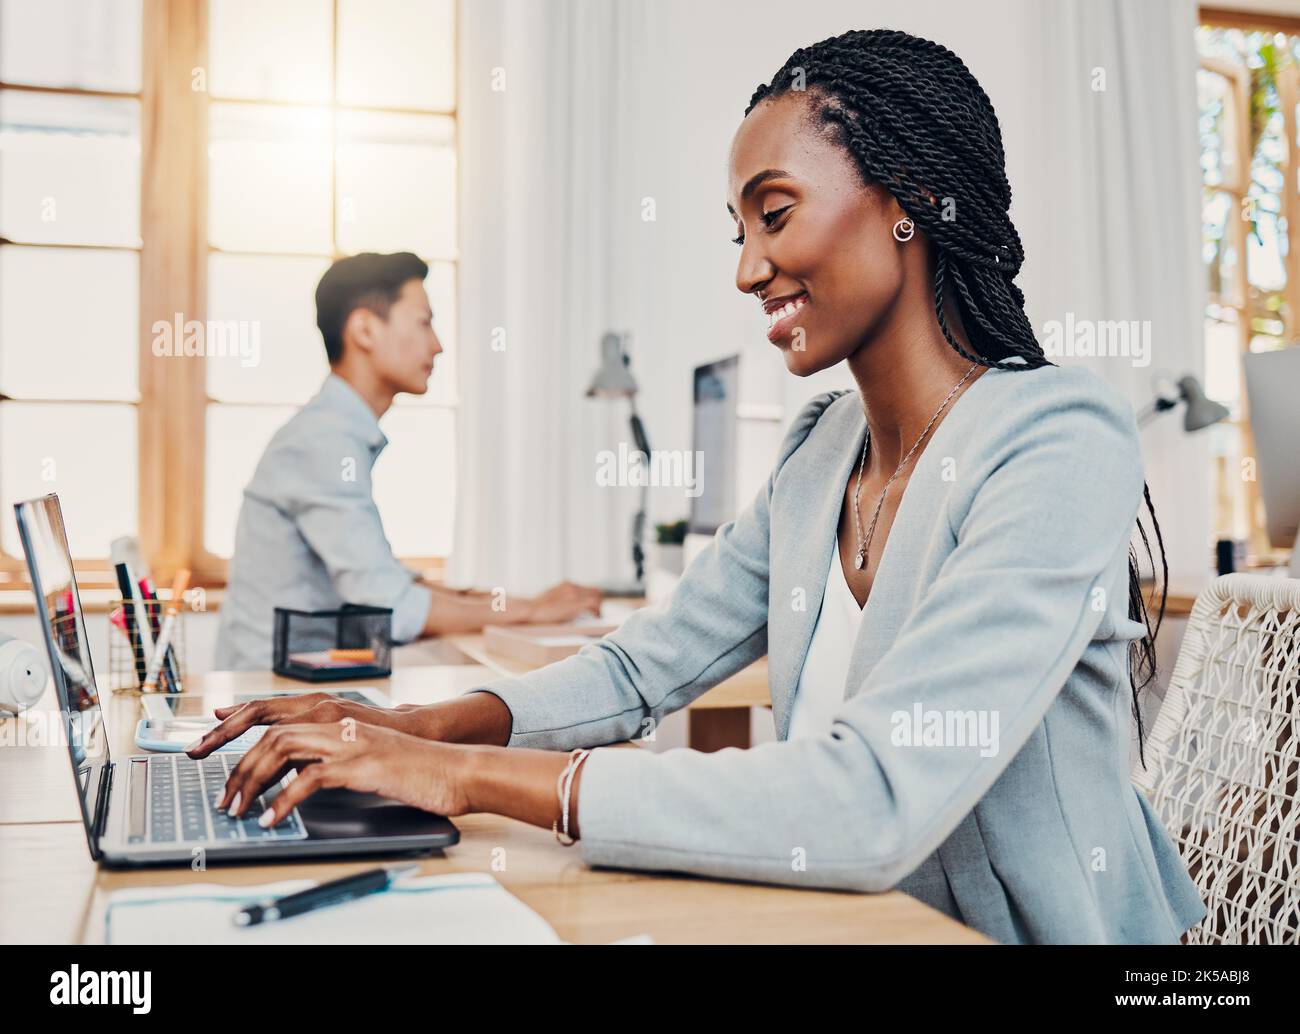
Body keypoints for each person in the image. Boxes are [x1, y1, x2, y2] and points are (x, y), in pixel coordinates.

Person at [192, 30, 1206, 944]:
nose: (748, 269)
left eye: (773, 213)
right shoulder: (822, 452)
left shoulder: (1056, 441)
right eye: (738, 233)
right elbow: (639, 671)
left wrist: (465, 778)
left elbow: (873, 797)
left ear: (904, 199)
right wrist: (421, 725)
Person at [214, 251, 602, 670]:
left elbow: (390, 583)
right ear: (364, 329)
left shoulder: (332, 432)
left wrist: (523, 603)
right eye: (423, 322)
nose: (437, 345)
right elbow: (390, 604)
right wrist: (530, 611)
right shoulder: (321, 441)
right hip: (270, 693)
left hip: (308, 680)